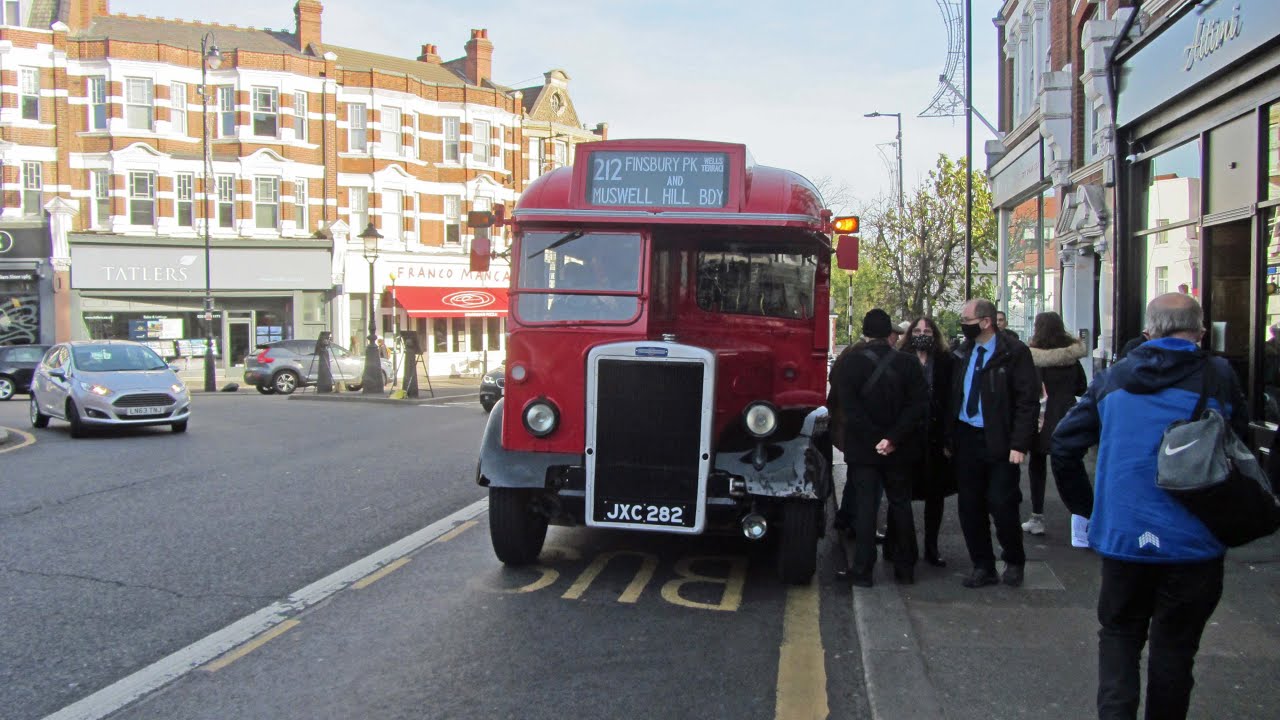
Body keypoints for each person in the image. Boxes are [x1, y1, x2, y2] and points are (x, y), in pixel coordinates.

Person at [1051, 292, 1244, 720]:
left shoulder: (1114, 379)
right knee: (1175, 652)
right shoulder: (1218, 376)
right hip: (1195, 537)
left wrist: (1089, 508)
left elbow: (1063, 445)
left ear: (1148, 331)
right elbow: (1241, 445)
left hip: (1125, 536)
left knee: (1119, 637)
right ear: (1200, 331)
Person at [944, 298, 1039, 588]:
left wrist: (1019, 443)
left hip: (999, 439)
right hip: (966, 437)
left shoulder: (1013, 353)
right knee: (970, 506)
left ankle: (1013, 560)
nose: (963, 325)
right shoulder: (963, 352)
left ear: (985, 322)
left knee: (1002, 503)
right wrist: (949, 438)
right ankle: (982, 565)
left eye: (967, 320)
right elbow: (953, 396)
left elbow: (1027, 400)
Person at [831, 309, 928, 586]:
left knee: (865, 508)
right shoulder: (909, 364)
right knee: (900, 504)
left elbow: (850, 408)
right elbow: (918, 405)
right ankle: (905, 567)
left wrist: (875, 439)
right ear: (890, 334)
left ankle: (862, 570)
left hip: (864, 449)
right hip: (900, 449)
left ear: (865, 332)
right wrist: (893, 438)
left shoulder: (850, 364)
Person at [885, 315, 956, 567]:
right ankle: (895, 544)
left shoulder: (947, 362)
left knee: (935, 495)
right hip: (906, 438)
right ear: (909, 334)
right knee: (900, 494)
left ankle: (931, 547)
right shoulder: (899, 360)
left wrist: (949, 437)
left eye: (927, 330)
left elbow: (952, 401)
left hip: (935, 439)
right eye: (917, 331)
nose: (922, 335)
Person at [1021, 311, 1088, 536]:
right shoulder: (1071, 358)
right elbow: (1082, 387)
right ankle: (1082, 518)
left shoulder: (1034, 358)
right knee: (1071, 468)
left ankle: (1037, 517)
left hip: (1041, 418)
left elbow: (1029, 389)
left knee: (1037, 467)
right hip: (1068, 417)